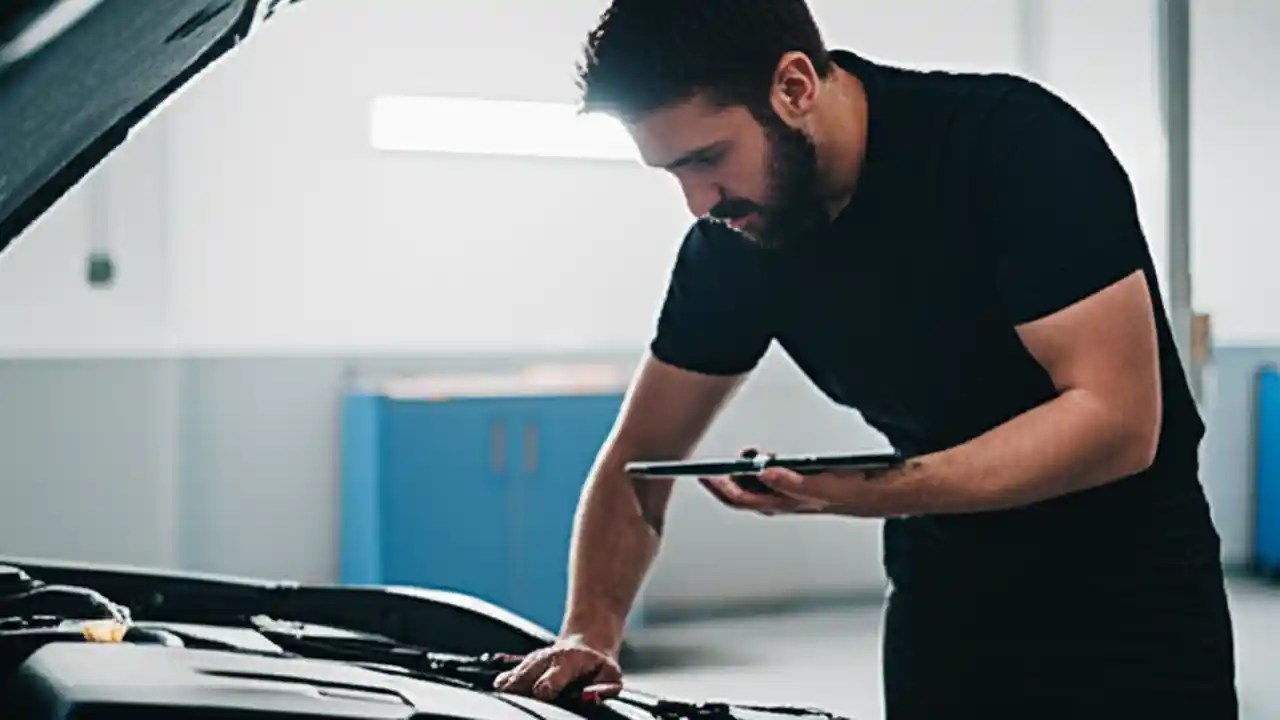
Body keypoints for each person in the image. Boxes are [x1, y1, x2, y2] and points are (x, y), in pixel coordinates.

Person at [492, 1, 1237, 716]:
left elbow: (1116, 423)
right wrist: (590, 628)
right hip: (943, 598)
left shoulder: (1013, 148)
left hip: (1126, 593)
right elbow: (641, 460)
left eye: (708, 159)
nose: (698, 202)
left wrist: (866, 490)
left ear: (794, 86)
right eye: (673, 173)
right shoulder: (733, 243)